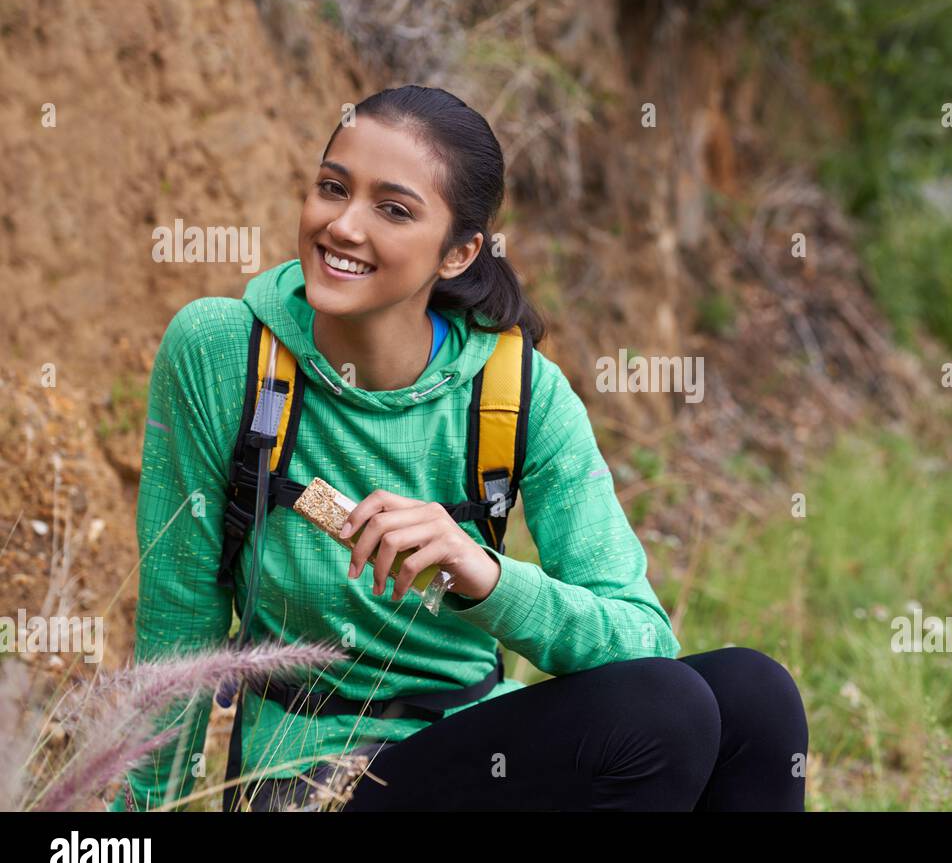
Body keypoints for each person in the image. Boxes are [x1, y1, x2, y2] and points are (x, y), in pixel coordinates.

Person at [109, 85, 807, 812]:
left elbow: (641, 639)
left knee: (755, 696)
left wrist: (485, 576)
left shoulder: (516, 390)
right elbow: (178, 627)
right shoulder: (225, 352)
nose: (343, 225)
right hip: (318, 782)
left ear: (461, 251)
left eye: (393, 208)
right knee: (663, 714)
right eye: (332, 188)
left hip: (483, 757)